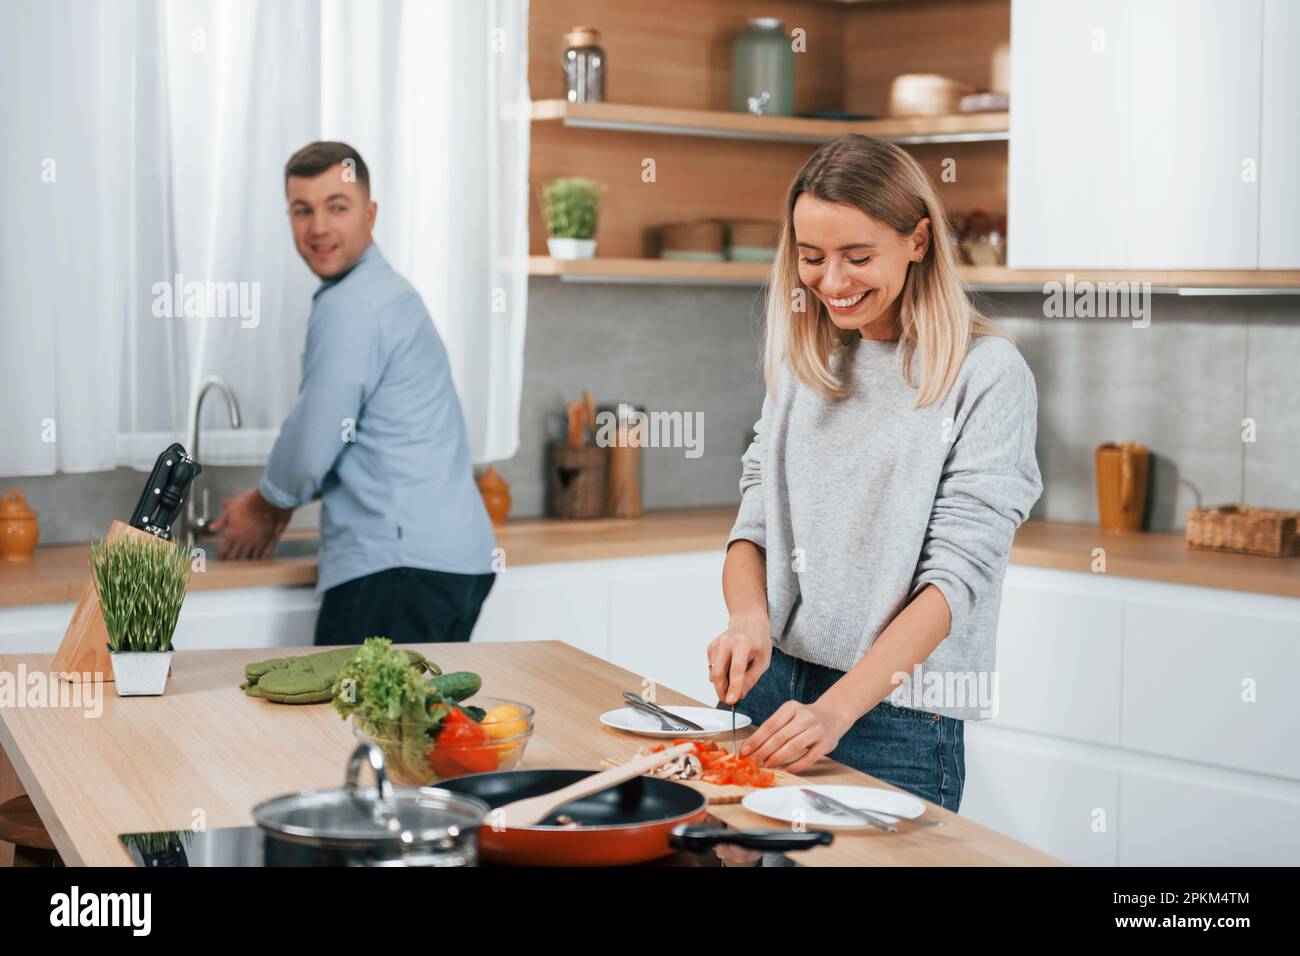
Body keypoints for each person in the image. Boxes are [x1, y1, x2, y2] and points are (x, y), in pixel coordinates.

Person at [708, 134, 1042, 848]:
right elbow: (756, 519)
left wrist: (837, 710)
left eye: (858, 258)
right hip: (773, 692)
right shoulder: (808, 357)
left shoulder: (987, 374)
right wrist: (746, 618)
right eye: (811, 257)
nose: (832, 281)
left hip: (896, 719)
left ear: (918, 240)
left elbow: (956, 580)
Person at [211, 141, 497, 645]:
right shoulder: (388, 294)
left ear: (370, 214)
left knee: (345, 726)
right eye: (302, 211)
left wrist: (265, 503)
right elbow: (355, 434)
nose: (318, 227)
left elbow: (317, 434)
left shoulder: (353, 306)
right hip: (449, 563)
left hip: (398, 567)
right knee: (409, 725)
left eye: (336, 207)